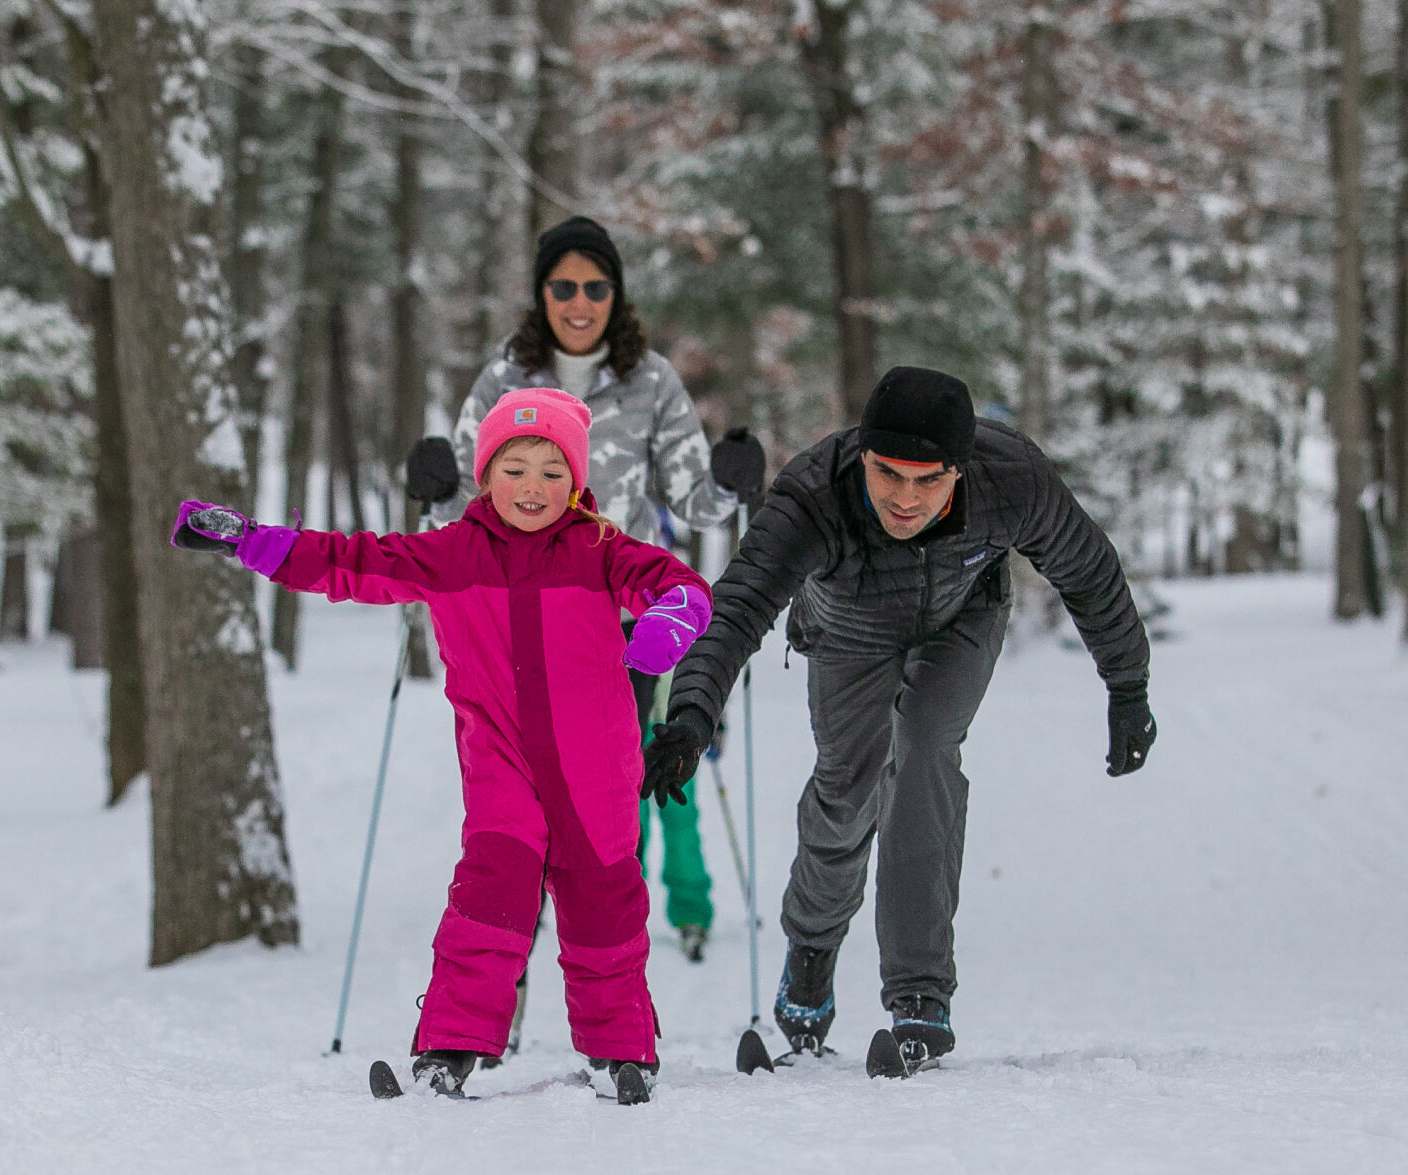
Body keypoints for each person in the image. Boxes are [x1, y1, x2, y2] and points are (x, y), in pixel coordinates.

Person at [174, 388, 712, 1101]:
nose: (533, 486)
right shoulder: (453, 553)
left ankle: (621, 1051)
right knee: (490, 894)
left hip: (596, 767)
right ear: (485, 476)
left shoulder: (599, 549)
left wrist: (670, 617)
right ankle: (451, 1044)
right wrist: (251, 540)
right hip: (503, 766)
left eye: (552, 471)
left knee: (604, 902)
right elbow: (350, 561)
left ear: (576, 482)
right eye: (514, 468)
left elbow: (677, 583)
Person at [641, 365, 1156, 1072]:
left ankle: (919, 994)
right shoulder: (813, 495)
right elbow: (737, 607)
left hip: (961, 617)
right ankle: (812, 948)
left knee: (923, 751)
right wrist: (693, 715)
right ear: (862, 456)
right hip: (846, 627)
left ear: (960, 470)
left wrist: (1126, 685)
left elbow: (1088, 571)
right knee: (846, 785)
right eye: (887, 474)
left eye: (928, 480)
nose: (905, 498)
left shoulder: (1012, 481)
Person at [408, 215, 766, 972]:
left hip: (622, 617)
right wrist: (436, 489)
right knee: (524, 788)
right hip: (519, 617)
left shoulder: (652, 381)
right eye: (563, 286)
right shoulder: (503, 379)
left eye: (595, 287)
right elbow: (464, 509)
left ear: (615, 294)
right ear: (541, 293)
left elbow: (693, 500)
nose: (579, 302)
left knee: (615, 785)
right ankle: (516, 930)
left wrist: (728, 483)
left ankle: (620, 940)